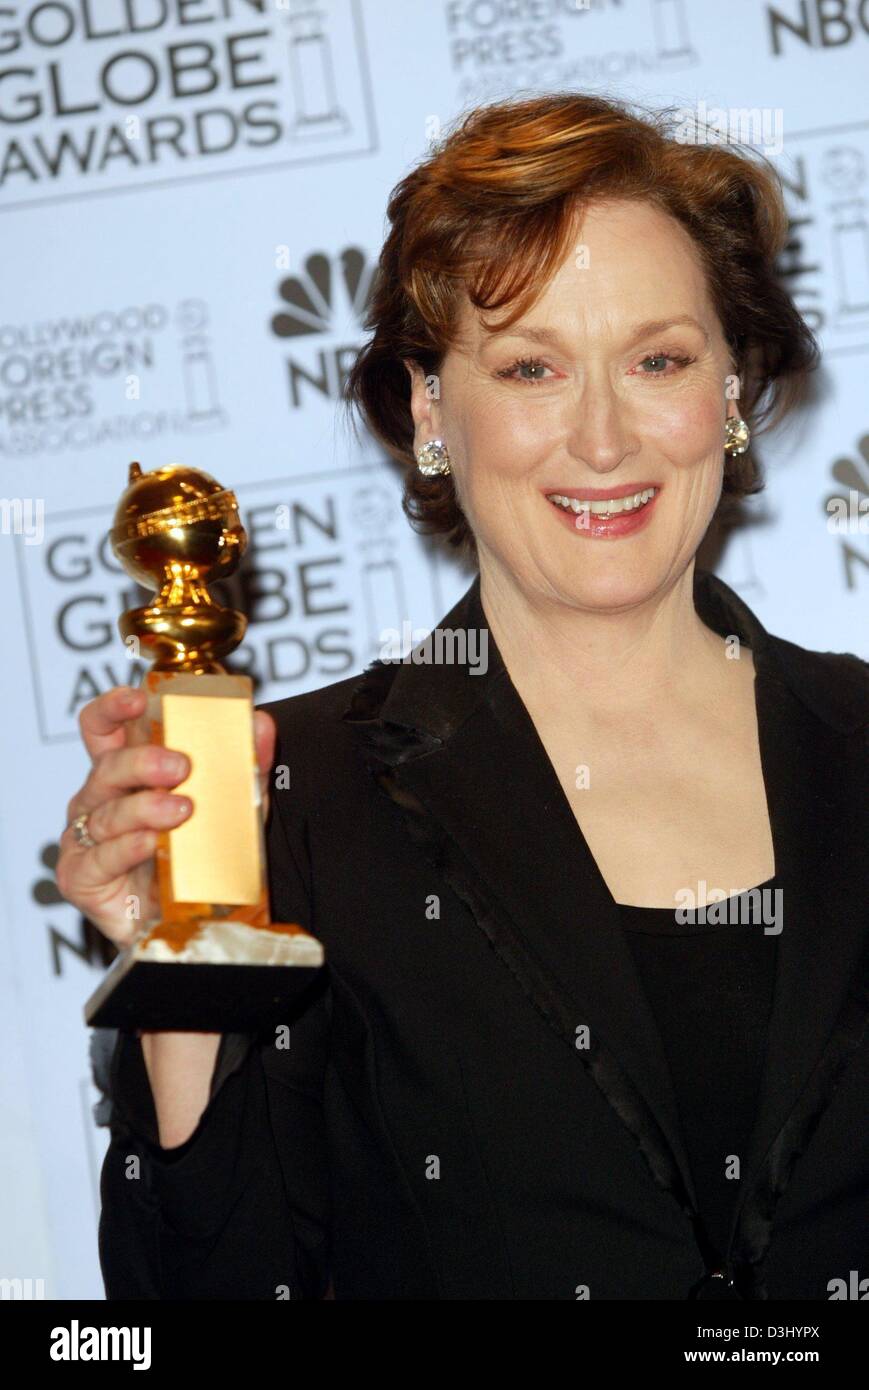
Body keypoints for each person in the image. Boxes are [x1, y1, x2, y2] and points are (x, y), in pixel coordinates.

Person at [58, 92, 868, 1301]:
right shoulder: (294, 791)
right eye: (530, 366)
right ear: (431, 406)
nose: (602, 438)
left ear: (731, 392)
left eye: (658, 359)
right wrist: (179, 978)